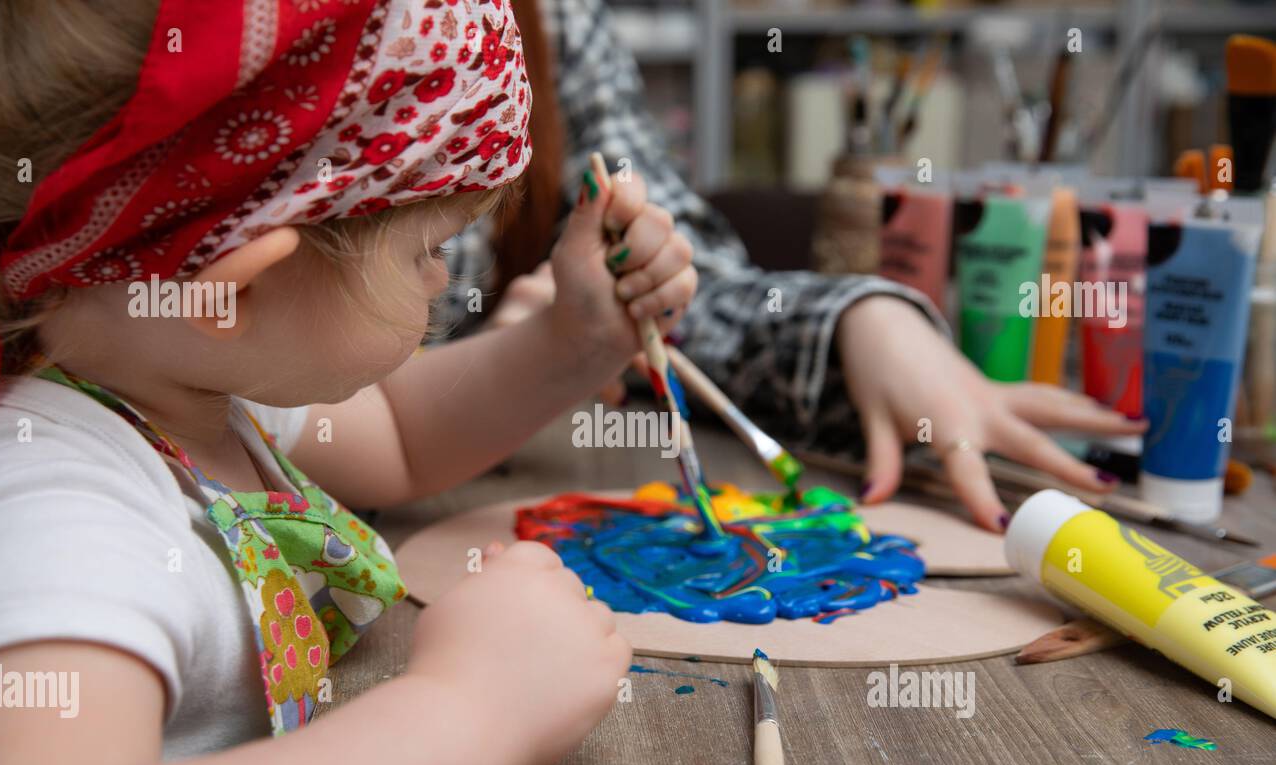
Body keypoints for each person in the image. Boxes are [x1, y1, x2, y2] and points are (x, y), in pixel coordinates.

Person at [0, 0, 692, 765]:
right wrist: (467, 715)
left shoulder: (181, 382)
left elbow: (397, 433)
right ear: (233, 293)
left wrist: (571, 341)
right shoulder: (59, 517)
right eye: (428, 249)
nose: (440, 281)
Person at [438, 0, 1146, 532]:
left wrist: (859, 320)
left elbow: (679, 274)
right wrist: (508, 360)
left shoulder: (553, 18)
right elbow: (351, 416)